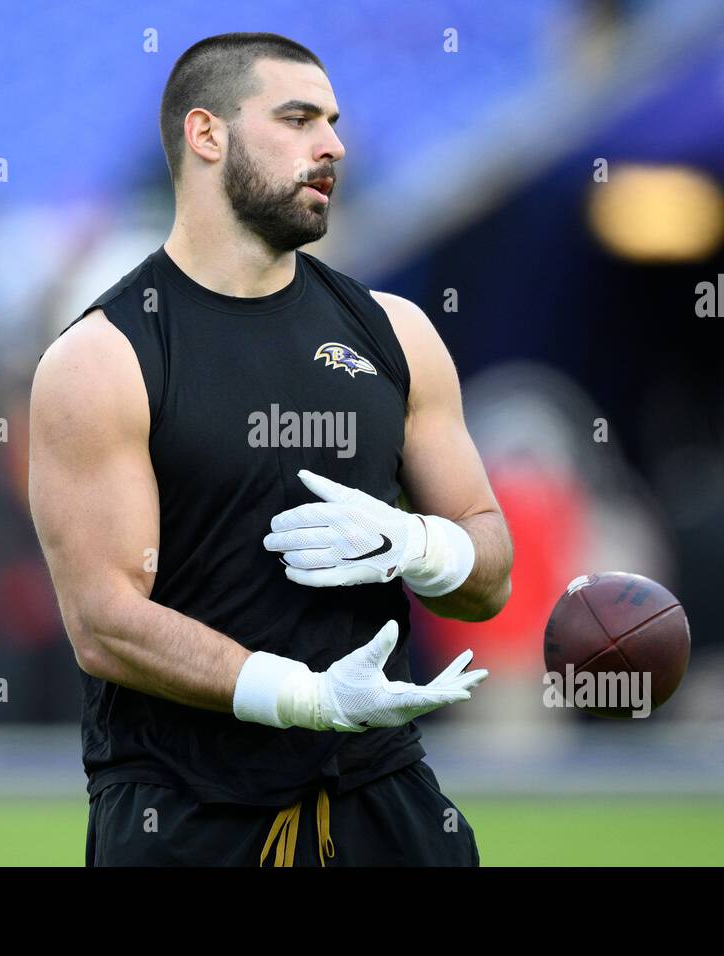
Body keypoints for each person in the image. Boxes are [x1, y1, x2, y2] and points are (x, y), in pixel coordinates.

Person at [29, 32, 512, 866]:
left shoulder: (396, 333)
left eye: (333, 122)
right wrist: (303, 697)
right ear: (206, 135)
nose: (333, 147)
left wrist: (420, 545)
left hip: (380, 798)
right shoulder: (104, 357)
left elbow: (490, 578)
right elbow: (104, 623)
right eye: (297, 120)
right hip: (185, 818)